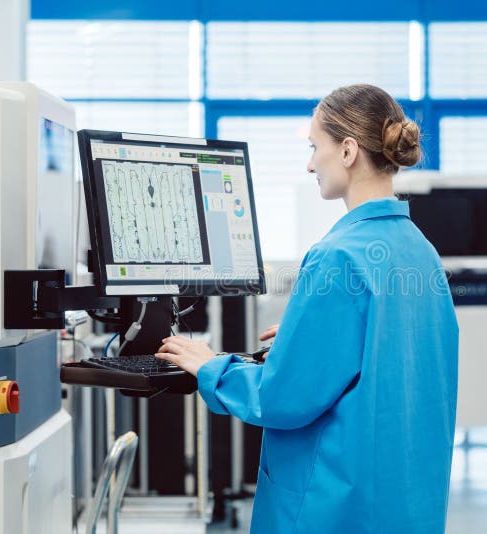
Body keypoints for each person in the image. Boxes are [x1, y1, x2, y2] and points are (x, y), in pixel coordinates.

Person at [156, 83, 459, 533]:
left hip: (337, 511)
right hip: (407, 506)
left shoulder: (338, 255)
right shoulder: (421, 251)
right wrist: (307, 338)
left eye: (316, 147)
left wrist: (211, 367)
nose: (310, 163)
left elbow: (281, 398)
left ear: (348, 151)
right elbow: (397, 356)